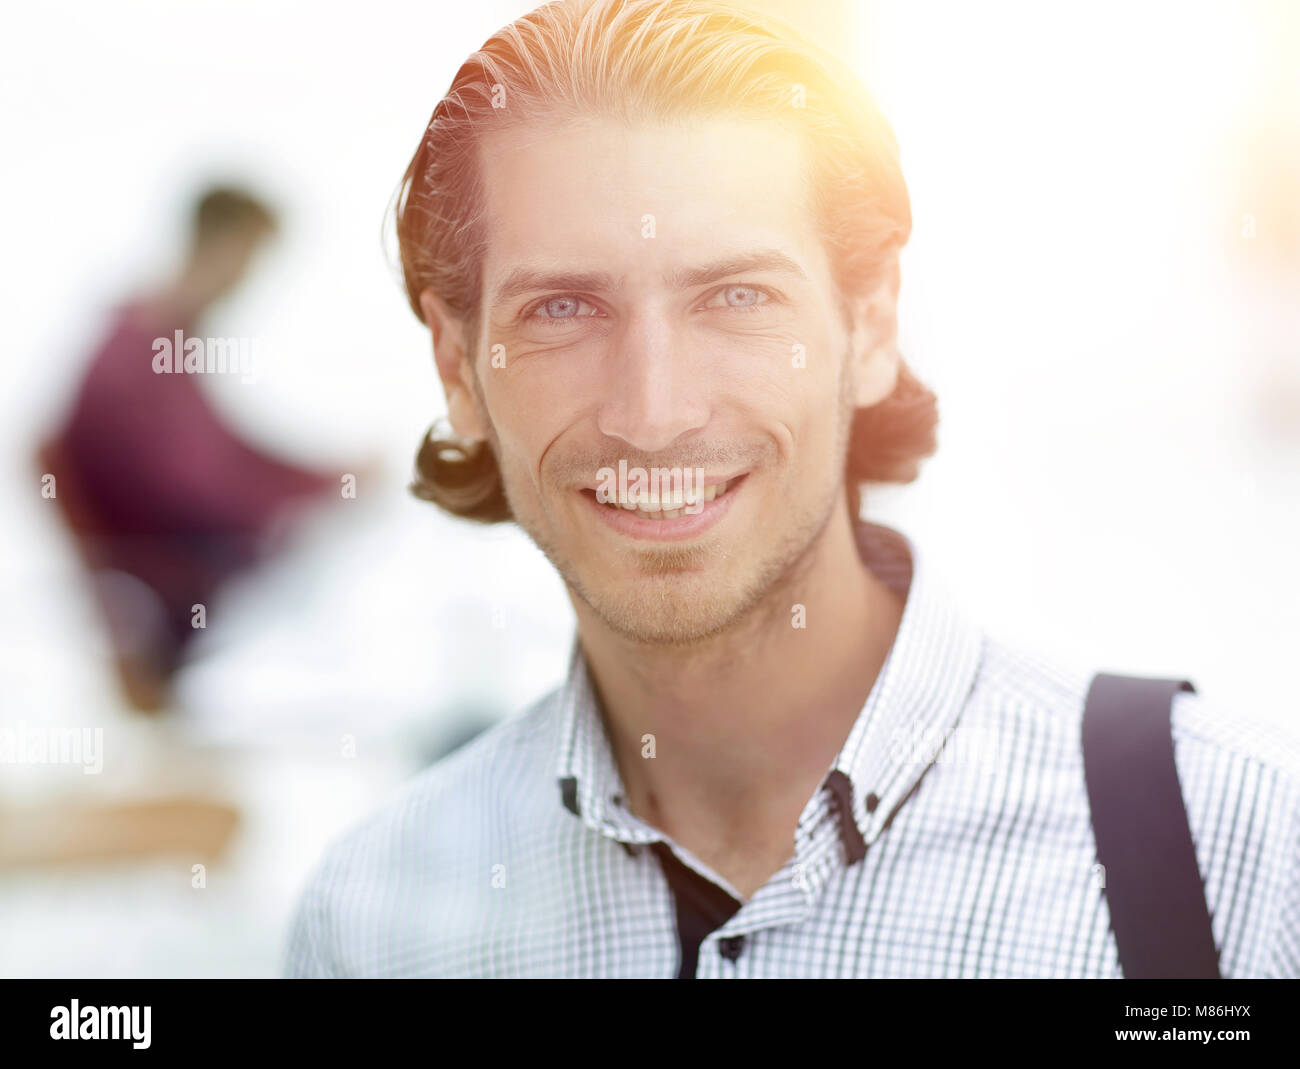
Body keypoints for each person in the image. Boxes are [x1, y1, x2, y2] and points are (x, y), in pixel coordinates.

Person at [285, 0, 1300, 977]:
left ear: (867, 332)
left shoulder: (1240, 855)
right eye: (563, 307)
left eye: (736, 296)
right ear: (459, 369)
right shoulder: (372, 920)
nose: (654, 410)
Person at [37, 186, 341, 712]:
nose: (247, 279)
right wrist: (316, 491)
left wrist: (325, 479)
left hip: (169, 614)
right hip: (154, 614)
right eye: (249, 259)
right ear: (219, 245)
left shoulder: (165, 340)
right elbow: (197, 483)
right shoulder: (141, 347)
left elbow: (228, 454)